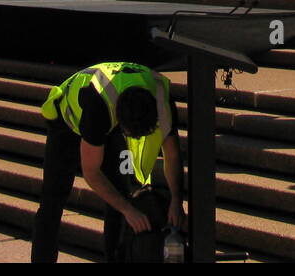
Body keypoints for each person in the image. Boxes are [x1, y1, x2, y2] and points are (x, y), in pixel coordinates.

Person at [31, 61, 184, 264]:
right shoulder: (98, 109)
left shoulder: (162, 100)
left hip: (111, 112)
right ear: (119, 123)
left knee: (120, 193)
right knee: (53, 198)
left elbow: (172, 156)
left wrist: (176, 200)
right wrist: (128, 210)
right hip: (66, 119)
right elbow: (91, 172)